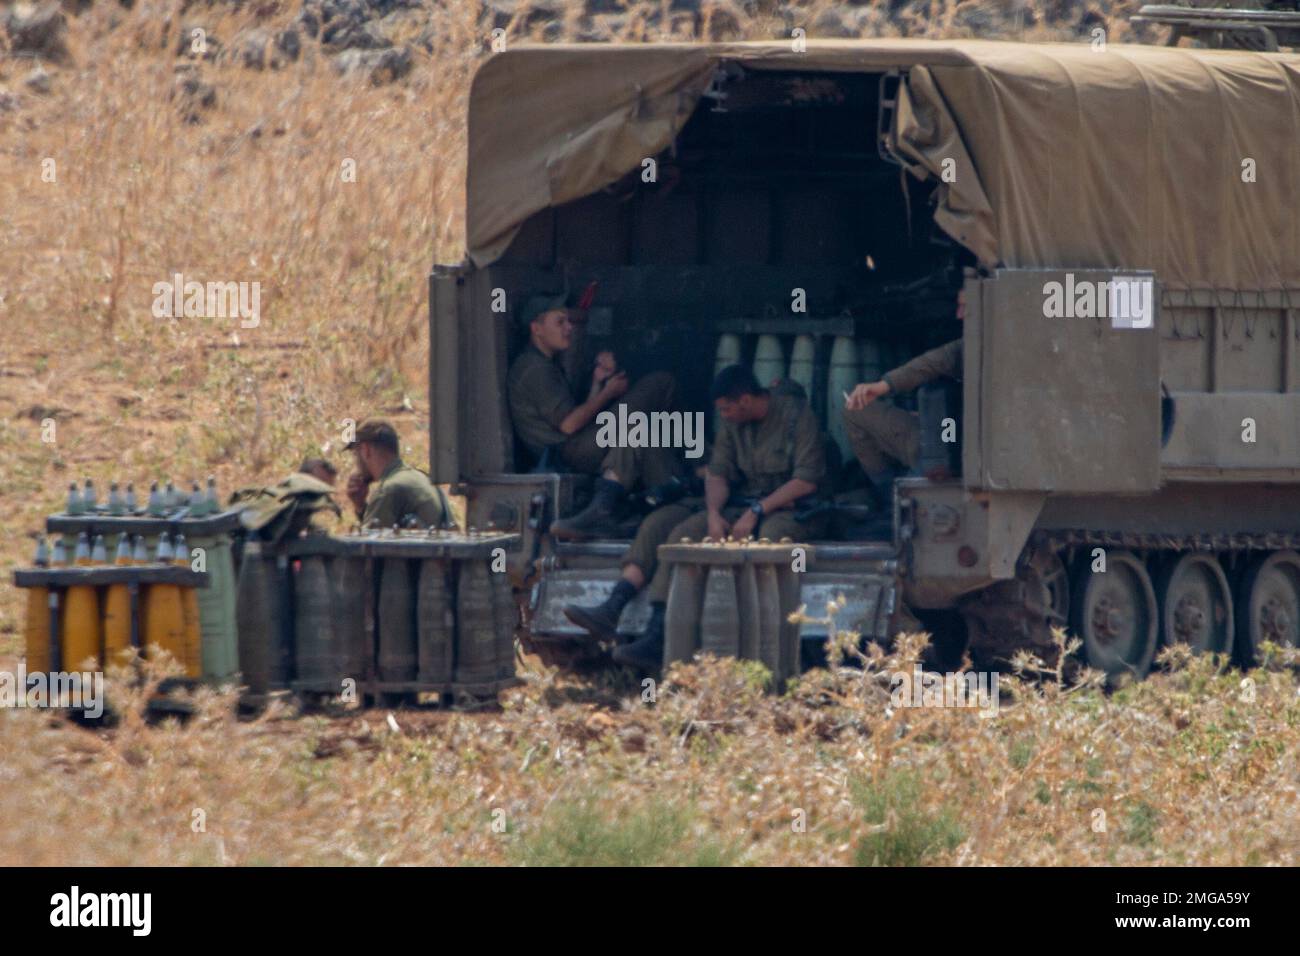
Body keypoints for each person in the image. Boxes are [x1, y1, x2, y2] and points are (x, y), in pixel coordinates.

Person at [565, 364, 829, 671]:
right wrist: (715, 514)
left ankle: (760, 645)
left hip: (798, 508)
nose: (724, 416)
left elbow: (806, 481)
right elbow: (717, 474)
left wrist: (757, 511)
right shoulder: (733, 424)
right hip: (747, 503)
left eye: (728, 409)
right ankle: (657, 634)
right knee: (682, 533)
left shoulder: (797, 417)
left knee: (770, 540)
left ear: (745, 400)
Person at [506, 301, 686, 540]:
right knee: (661, 384)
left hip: (572, 445)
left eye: (568, 321)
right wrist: (608, 393)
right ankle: (690, 463)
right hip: (567, 451)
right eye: (560, 322)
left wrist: (597, 383)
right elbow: (569, 424)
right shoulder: (535, 369)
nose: (568, 327)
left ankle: (611, 505)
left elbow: (575, 416)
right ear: (536, 328)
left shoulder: (544, 363)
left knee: (634, 429)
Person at [843, 289, 965, 508]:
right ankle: (890, 498)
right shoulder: (965, 347)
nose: (959, 314)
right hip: (939, 438)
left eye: (966, 307)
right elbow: (930, 363)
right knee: (855, 410)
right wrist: (883, 386)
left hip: (957, 452)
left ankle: (900, 500)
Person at [344, 419, 448, 530]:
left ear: (366, 450)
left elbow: (367, 545)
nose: (355, 463)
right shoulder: (422, 478)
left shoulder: (390, 489)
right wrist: (360, 506)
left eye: (355, 454)